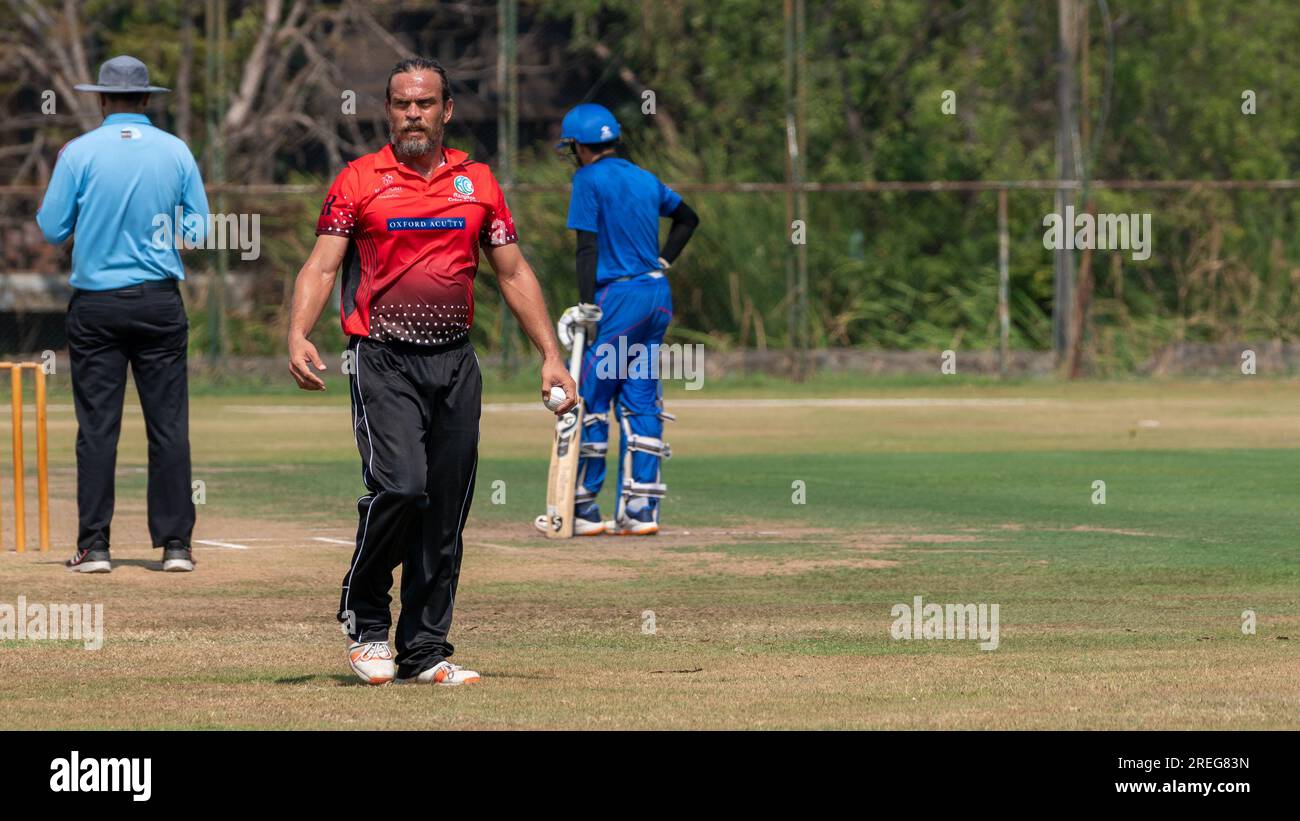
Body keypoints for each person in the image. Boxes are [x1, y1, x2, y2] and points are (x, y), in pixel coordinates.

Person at [287, 58, 576, 686]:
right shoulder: (359, 180)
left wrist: (550, 355)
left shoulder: (477, 181)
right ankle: (364, 617)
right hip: (383, 359)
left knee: (444, 509)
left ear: (446, 110)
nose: (412, 114)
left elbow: (513, 272)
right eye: (400, 104)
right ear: (387, 111)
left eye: (424, 103)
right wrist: (298, 333)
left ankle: (423, 650)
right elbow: (320, 267)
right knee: (402, 487)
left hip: (455, 362)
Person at [36, 55, 207, 574]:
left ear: (102, 99)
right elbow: (198, 233)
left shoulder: (78, 152)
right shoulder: (176, 151)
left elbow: (50, 228)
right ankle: (176, 545)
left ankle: (95, 547)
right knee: (169, 427)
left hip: (96, 305)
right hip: (158, 300)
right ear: (148, 100)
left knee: (96, 429)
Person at [554, 103, 699, 536]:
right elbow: (688, 219)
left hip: (617, 297)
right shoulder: (643, 177)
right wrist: (663, 260)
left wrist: (586, 305)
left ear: (579, 146)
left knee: (592, 397)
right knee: (640, 400)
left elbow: (586, 248)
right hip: (656, 295)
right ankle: (641, 509)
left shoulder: (588, 179)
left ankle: (583, 508)